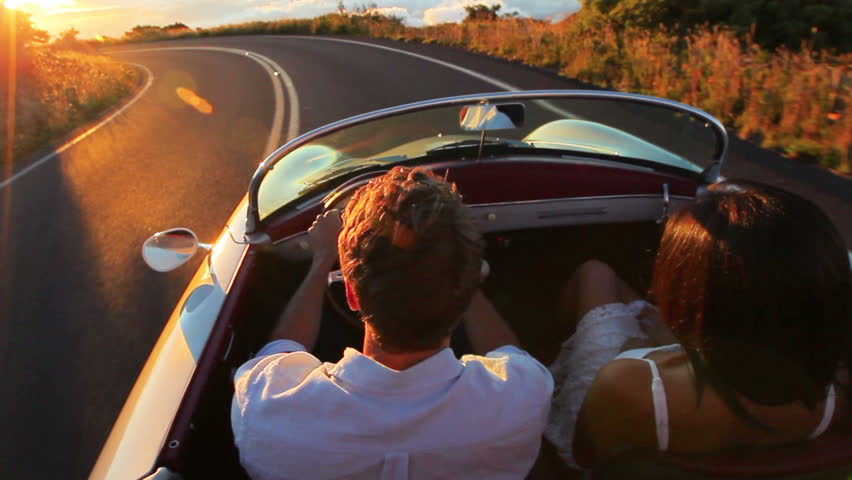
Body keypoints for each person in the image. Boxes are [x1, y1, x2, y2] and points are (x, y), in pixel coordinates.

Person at [231, 167, 554, 480]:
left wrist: (321, 260)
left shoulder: (266, 408)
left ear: (352, 295)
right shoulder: (522, 397)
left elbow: (282, 351)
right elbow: (508, 353)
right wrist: (458, 275)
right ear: (465, 295)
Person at [546, 180, 851, 470]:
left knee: (595, 272)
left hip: (627, 408)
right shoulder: (836, 389)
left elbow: (580, 456)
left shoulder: (629, 382)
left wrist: (650, 347)